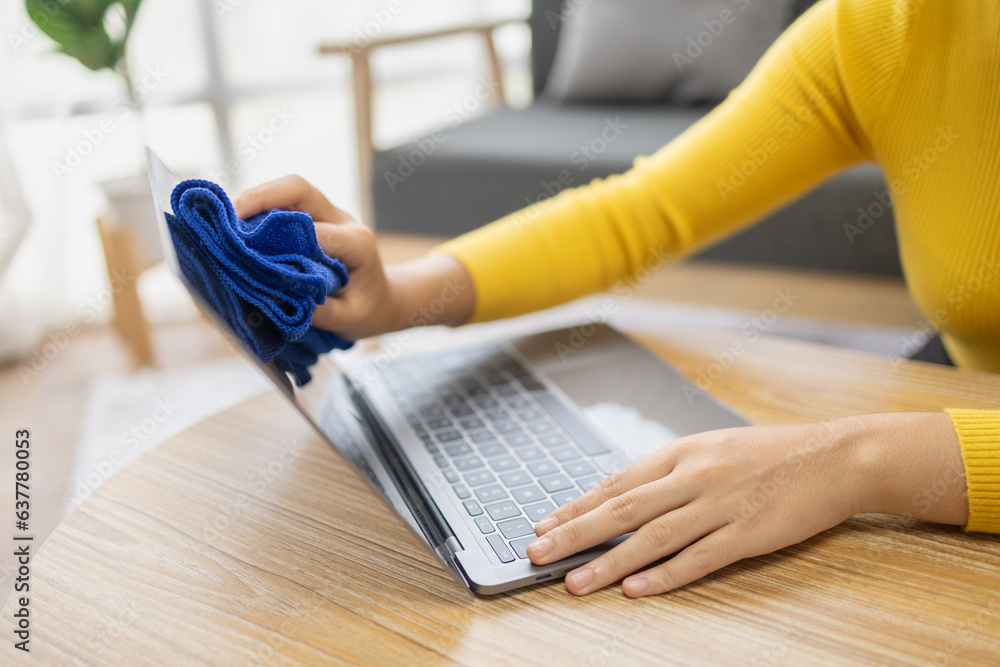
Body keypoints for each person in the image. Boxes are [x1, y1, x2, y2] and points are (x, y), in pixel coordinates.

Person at [233, 0, 1000, 598]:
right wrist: (401, 294)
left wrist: (851, 459)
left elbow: (854, 462)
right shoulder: (894, 27)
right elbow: (638, 212)